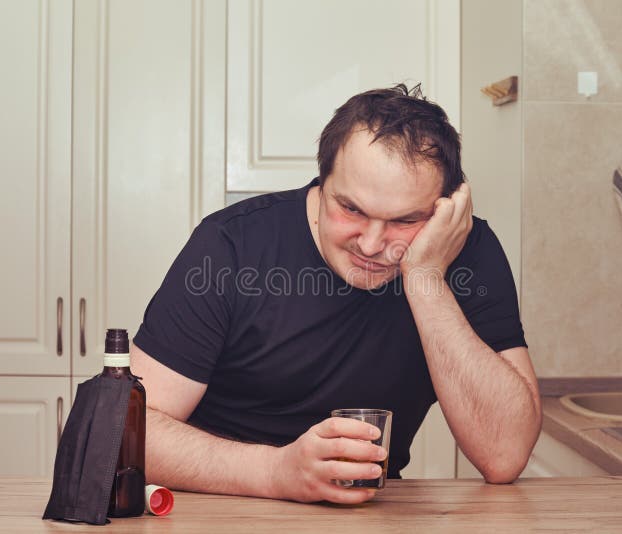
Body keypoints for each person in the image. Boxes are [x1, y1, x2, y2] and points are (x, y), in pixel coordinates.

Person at [131, 83, 542, 504]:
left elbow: (504, 455)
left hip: (373, 514)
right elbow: (130, 431)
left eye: (405, 220)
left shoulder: (466, 251)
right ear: (322, 181)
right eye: (351, 209)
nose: (370, 244)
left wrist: (425, 276)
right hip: (223, 505)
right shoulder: (231, 245)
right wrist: (275, 473)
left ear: (444, 208)